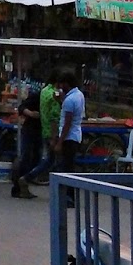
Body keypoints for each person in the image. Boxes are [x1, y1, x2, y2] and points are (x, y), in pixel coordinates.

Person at [54, 69, 85, 202]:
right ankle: (69, 195)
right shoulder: (79, 95)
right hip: (76, 134)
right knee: (68, 166)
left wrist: (60, 142)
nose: (60, 87)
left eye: (62, 84)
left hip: (69, 137)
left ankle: (69, 196)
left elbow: (67, 123)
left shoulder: (70, 100)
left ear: (67, 83)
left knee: (66, 167)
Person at [10, 83, 42, 199]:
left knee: (36, 158)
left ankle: (23, 183)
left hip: (40, 131)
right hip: (29, 129)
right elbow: (21, 108)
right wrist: (31, 114)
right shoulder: (38, 96)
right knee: (26, 157)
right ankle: (17, 186)